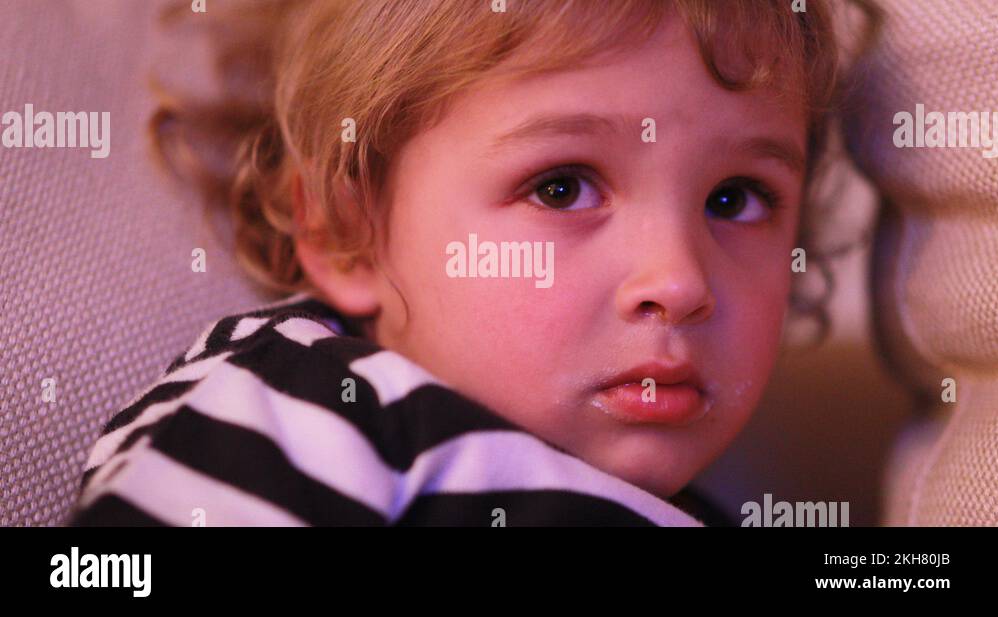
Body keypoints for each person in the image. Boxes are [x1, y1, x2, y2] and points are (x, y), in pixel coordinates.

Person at [66, 0, 867, 526]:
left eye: (734, 199)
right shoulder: (300, 414)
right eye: (561, 186)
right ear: (349, 228)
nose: (680, 282)